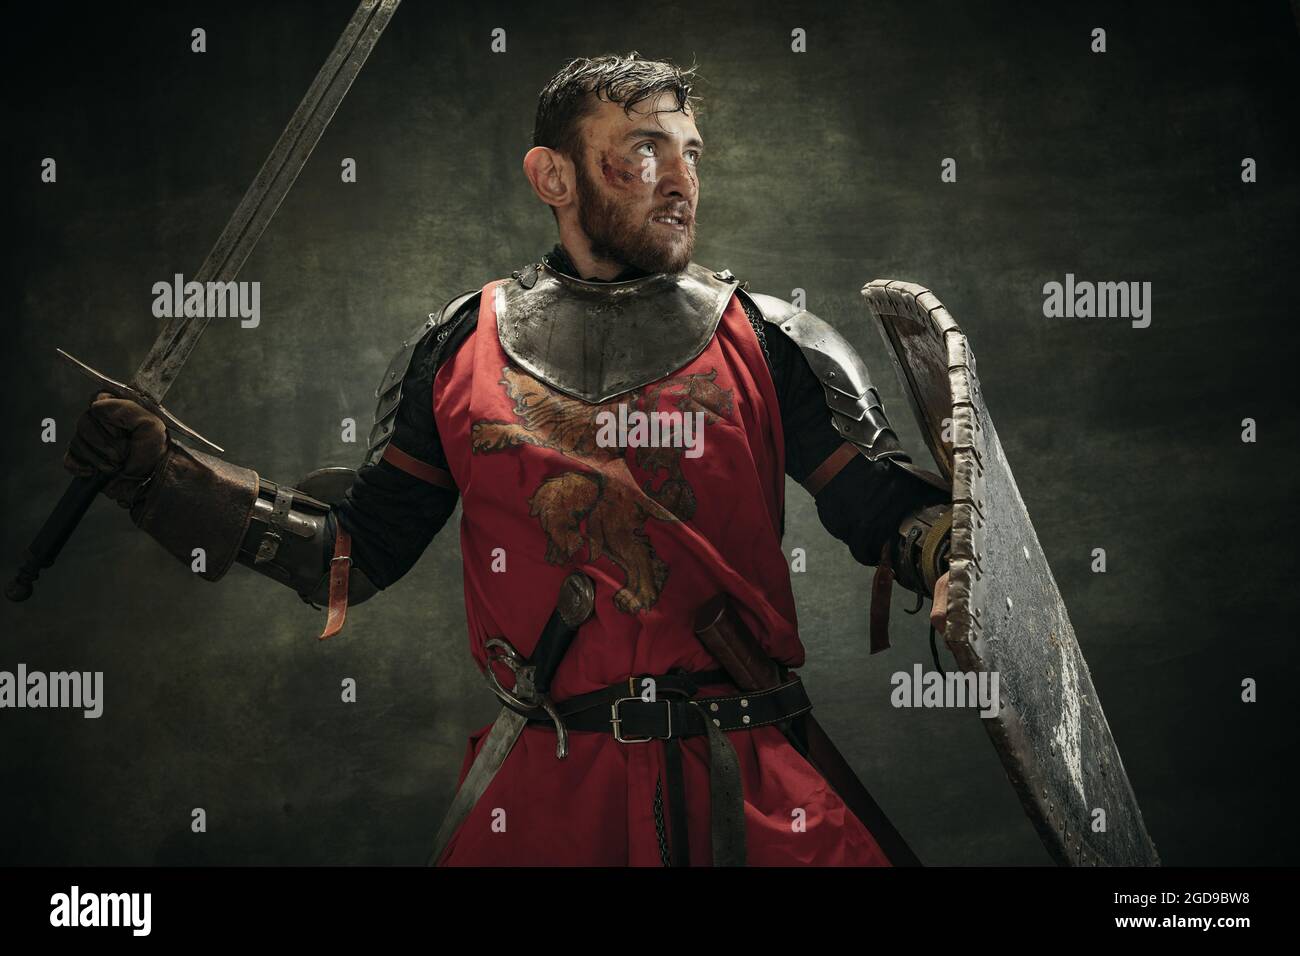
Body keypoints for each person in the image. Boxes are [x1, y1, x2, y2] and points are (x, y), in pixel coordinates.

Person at [65, 52, 953, 866]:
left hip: (749, 788)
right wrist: (163, 479)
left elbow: (881, 508)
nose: (683, 179)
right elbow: (357, 551)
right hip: (545, 803)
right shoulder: (460, 348)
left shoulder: (768, 340)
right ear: (551, 175)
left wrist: (948, 551)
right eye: (645, 150)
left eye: (692, 150)